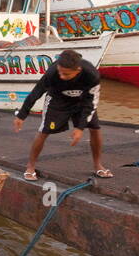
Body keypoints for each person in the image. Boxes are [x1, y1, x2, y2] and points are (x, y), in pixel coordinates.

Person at [13, 49, 112, 180]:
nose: (61, 76)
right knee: (44, 131)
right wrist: (22, 115)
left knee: (95, 128)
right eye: (60, 71)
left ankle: (98, 166)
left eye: (66, 74)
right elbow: (36, 92)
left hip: (82, 101)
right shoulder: (53, 73)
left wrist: (80, 128)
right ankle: (30, 167)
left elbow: (91, 103)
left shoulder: (92, 75)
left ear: (78, 70)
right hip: (58, 100)